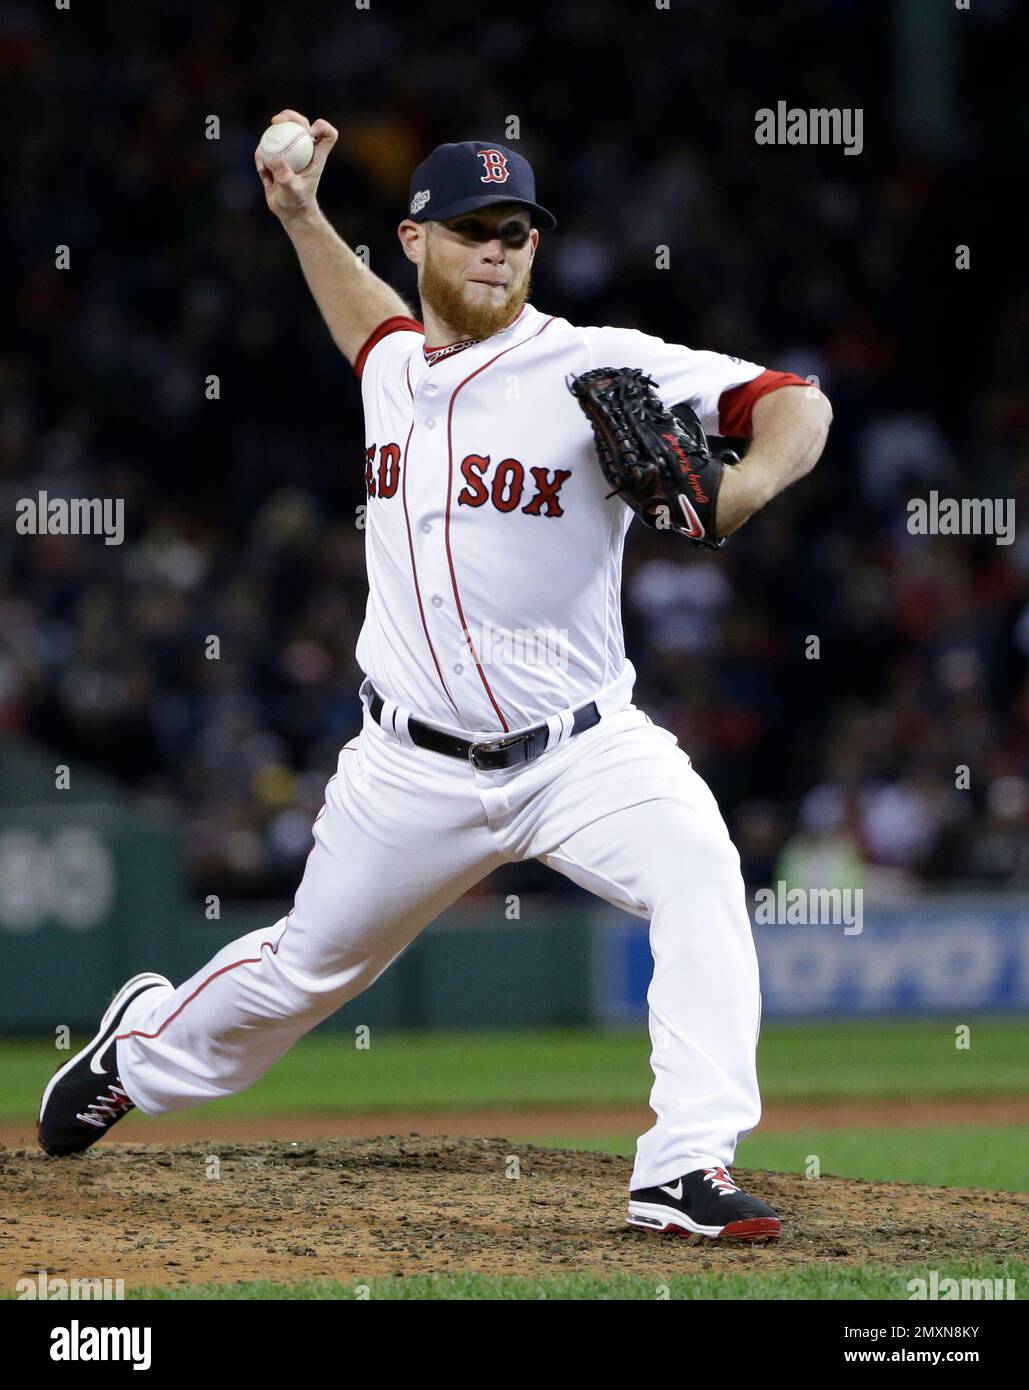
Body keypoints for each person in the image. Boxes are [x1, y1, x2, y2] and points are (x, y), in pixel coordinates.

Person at [38, 114, 832, 1244]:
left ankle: (683, 1164)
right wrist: (300, 214)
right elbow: (370, 324)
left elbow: (800, 400)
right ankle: (144, 1051)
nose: (500, 250)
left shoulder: (596, 362)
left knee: (701, 870)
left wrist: (741, 490)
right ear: (416, 240)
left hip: (583, 748)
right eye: (472, 231)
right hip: (408, 768)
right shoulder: (398, 365)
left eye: (517, 232)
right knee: (305, 973)